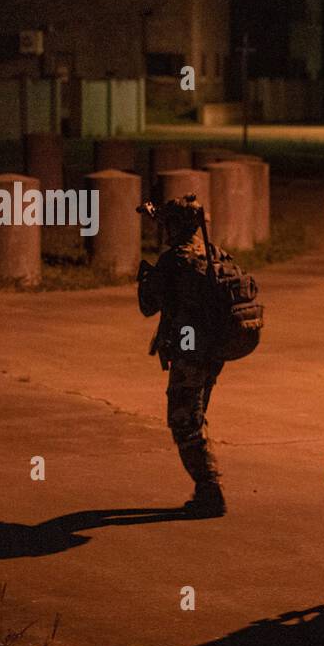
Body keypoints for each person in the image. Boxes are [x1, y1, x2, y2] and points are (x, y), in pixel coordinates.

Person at [136, 197, 231, 517]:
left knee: (184, 421)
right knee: (196, 414)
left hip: (189, 352)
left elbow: (148, 306)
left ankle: (210, 491)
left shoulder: (175, 260)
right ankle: (208, 489)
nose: (162, 232)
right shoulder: (213, 252)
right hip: (212, 352)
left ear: (176, 227)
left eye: (165, 225)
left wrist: (148, 279)